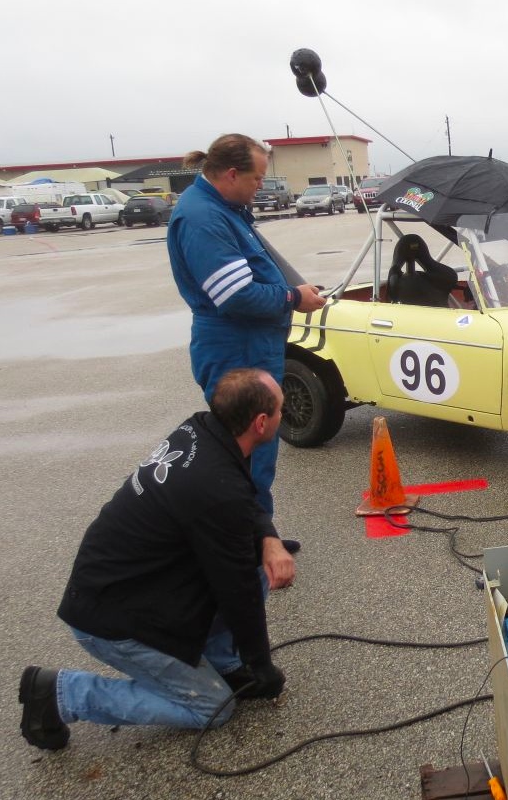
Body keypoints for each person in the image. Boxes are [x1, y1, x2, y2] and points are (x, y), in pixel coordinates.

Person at [19, 368, 297, 751]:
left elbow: (242, 501)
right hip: (109, 617)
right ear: (261, 423)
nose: (284, 413)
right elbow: (238, 592)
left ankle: (222, 664)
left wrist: (269, 541)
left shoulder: (204, 431)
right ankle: (62, 694)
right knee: (212, 708)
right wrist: (261, 666)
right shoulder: (214, 485)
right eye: (280, 408)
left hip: (132, 583)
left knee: (256, 562)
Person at [166, 134, 325, 547]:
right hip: (235, 348)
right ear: (232, 174)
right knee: (245, 456)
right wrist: (293, 298)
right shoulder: (203, 218)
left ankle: (259, 538)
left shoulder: (224, 209)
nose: (261, 187)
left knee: (258, 455)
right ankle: (245, 551)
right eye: (257, 179)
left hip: (251, 344)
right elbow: (236, 296)